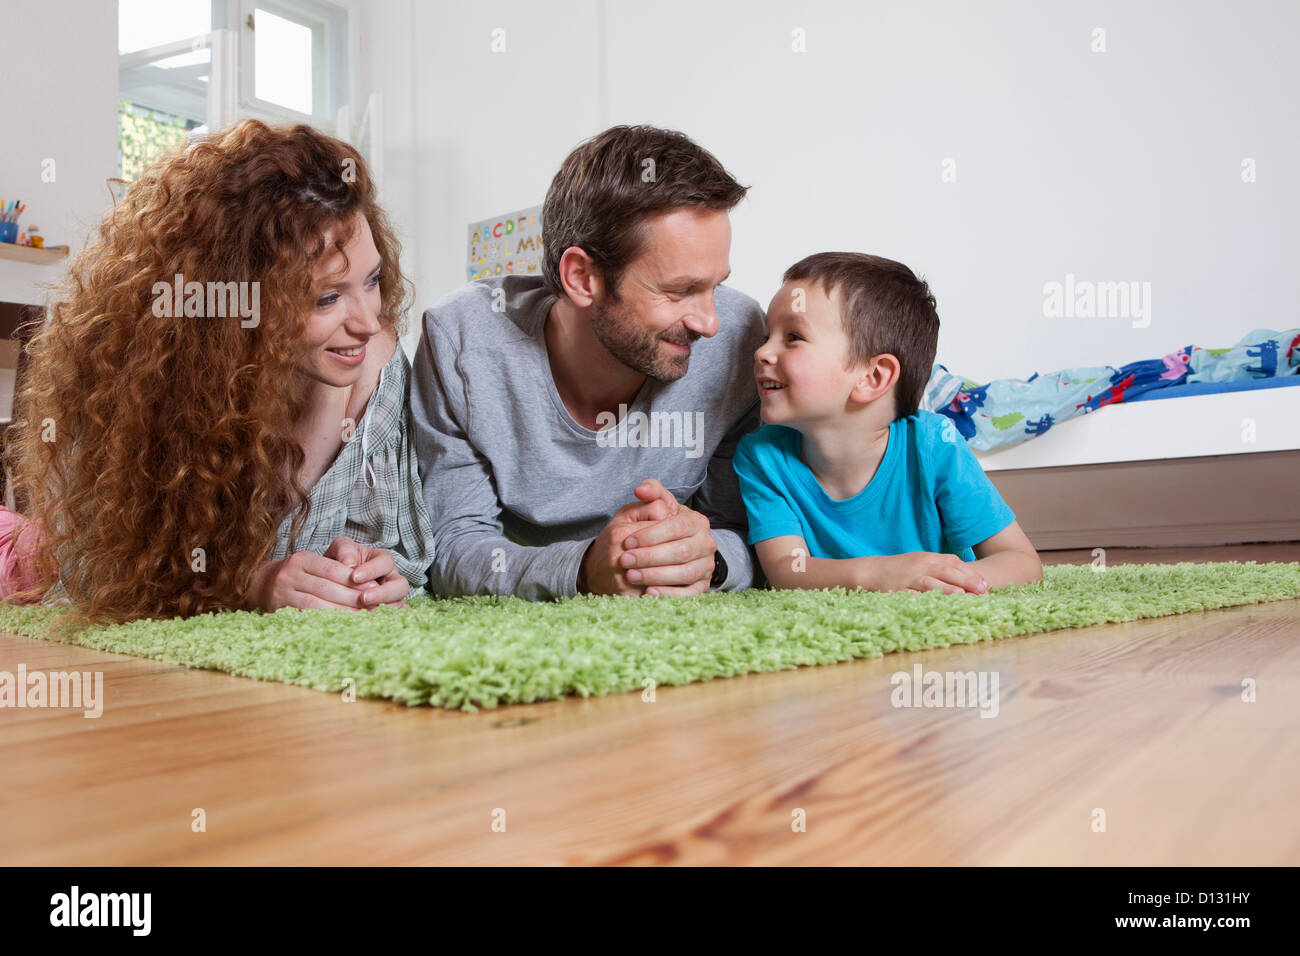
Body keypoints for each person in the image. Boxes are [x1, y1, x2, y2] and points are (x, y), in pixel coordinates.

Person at [0, 119, 433, 622]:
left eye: (373, 279)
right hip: (34, 556)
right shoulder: (151, 381)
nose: (366, 321)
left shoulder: (377, 365)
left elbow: (405, 547)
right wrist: (250, 583)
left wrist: (369, 569)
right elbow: (93, 571)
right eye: (327, 297)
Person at [411, 125, 765, 599]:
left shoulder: (742, 339)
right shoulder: (461, 342)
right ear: (581, 277)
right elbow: (453, 549)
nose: (709, 322)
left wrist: (709, 560)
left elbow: (751, 532)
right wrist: (583, 569)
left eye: (715, 285)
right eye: (680, 291)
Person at [733, 252, 1043, 594]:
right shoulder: (761, 455)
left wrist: (953, 585)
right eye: (766, 337)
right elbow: (786, 570)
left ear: (872, 377)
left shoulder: (935, 445)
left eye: (793, 337)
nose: (762, 353)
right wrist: (878, 574)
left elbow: (1020, 560)